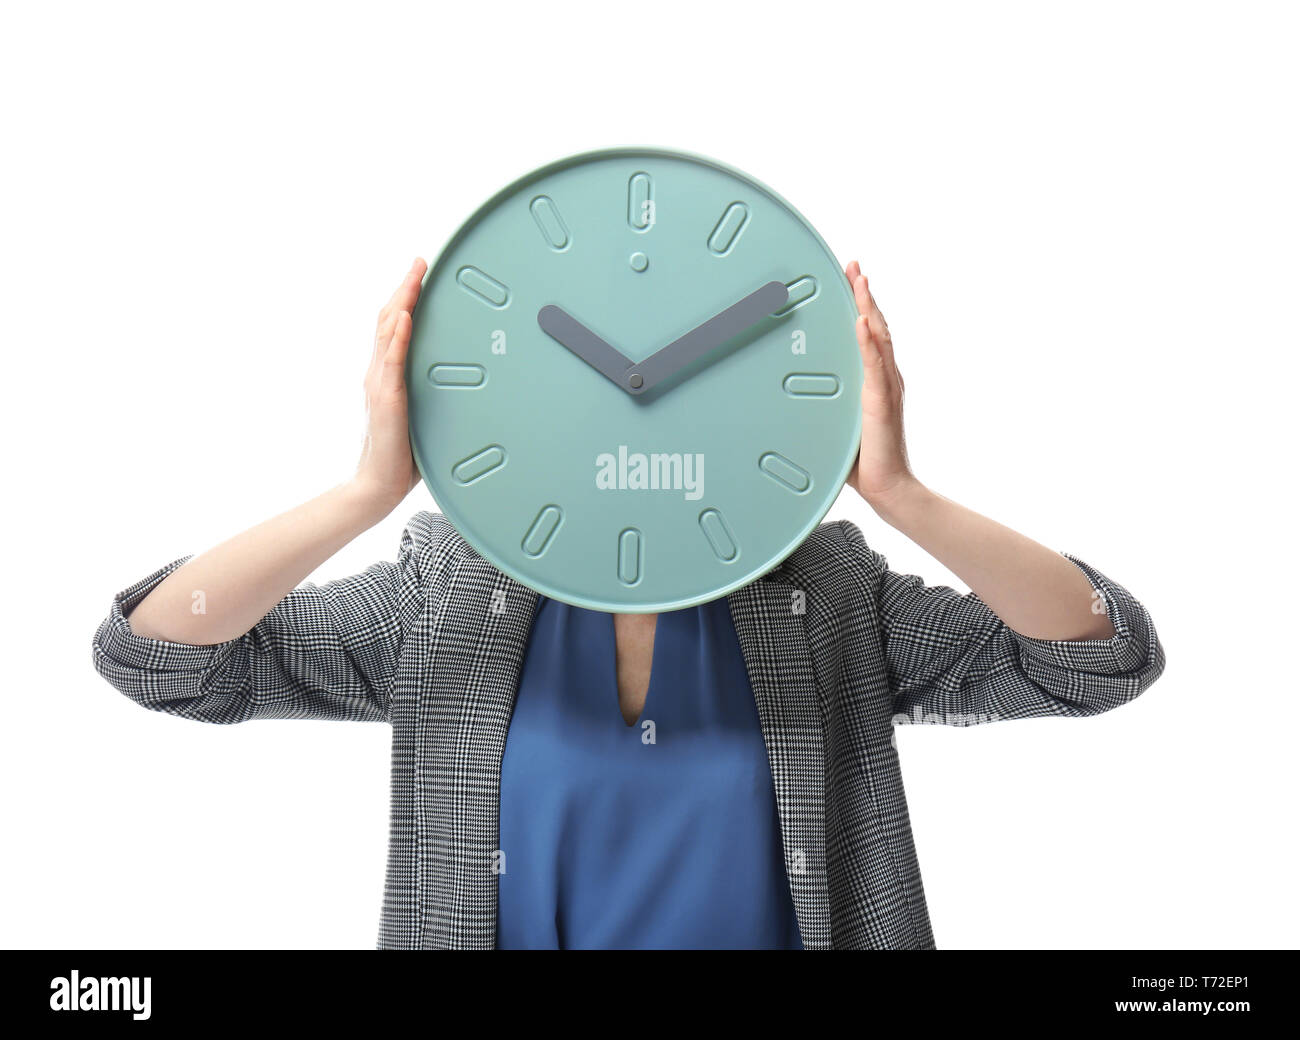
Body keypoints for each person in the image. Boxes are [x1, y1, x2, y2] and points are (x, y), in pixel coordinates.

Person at [92, 257, 1165, 949]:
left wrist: (899, 494)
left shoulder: (824, 591)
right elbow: (158, 655)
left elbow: (1094, 656)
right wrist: (366, 492)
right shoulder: (445, 593)